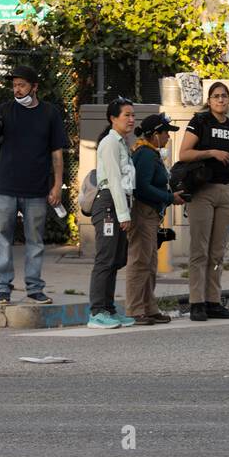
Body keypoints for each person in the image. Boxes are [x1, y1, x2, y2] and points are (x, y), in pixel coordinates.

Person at [0, 65, 66, 306]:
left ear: (35, 87)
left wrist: (57, 185)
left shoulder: (49, 113)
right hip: (5, 187)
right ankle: (2, 289)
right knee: (2, 238)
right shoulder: (4, 111)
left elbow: (57, 152)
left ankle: (34, 289)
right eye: (14, 85)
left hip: (36, 189)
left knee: (35, 241)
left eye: (22, 85)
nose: (17, 89)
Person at [179, 82, 229, 321]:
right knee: (200, 250)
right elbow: (184, 153)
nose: (221, 100)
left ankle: (213, 300)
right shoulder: (200, 121)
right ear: (209, 100)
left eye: (224, 96)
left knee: (218, 252)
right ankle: (196, 302)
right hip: (203, 191)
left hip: (227, 190)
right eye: (216, 96)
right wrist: (211, 153)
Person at [127, 113, 184, 326]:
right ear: (155, 134)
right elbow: (142, 187)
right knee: (140, 261)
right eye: (166, 132)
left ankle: (149, 307)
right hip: (143, 213)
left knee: (149, 263)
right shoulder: (145, 154)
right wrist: (169, 197)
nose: (169, 136)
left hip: (151, 214)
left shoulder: (151, 153)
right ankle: (134, 309)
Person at [88, 97, 138, 329]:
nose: (131, 119)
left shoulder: (122, 143)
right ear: (112, 118)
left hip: (119, 203)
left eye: (132, 115)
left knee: (117, 258)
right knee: (106, 258)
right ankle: (97, 311)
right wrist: (123, 214)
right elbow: (115, 181)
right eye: (126, 115)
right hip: (109, 204)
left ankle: (108, 308)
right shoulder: (109, 143)